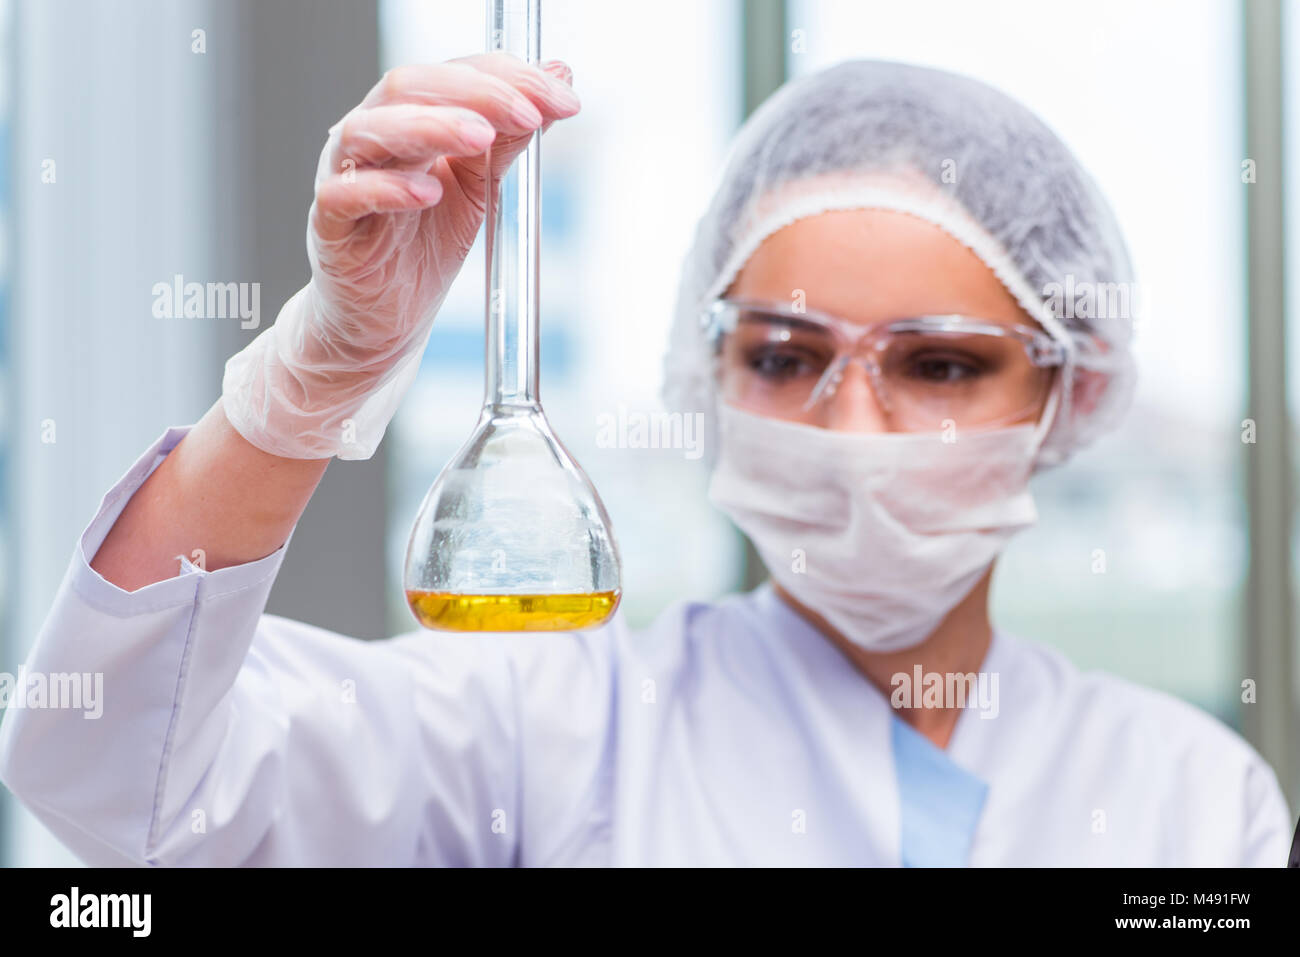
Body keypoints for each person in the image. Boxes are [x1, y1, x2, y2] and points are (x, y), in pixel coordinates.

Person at [0, 55, 1290, 867]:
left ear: (1067, 386)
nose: (852, 429)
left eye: (938, 366)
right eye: (786, 358)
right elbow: (116, 786)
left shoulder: (1188, 798)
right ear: (707, 374)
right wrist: (309, 383)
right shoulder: (542, 731)